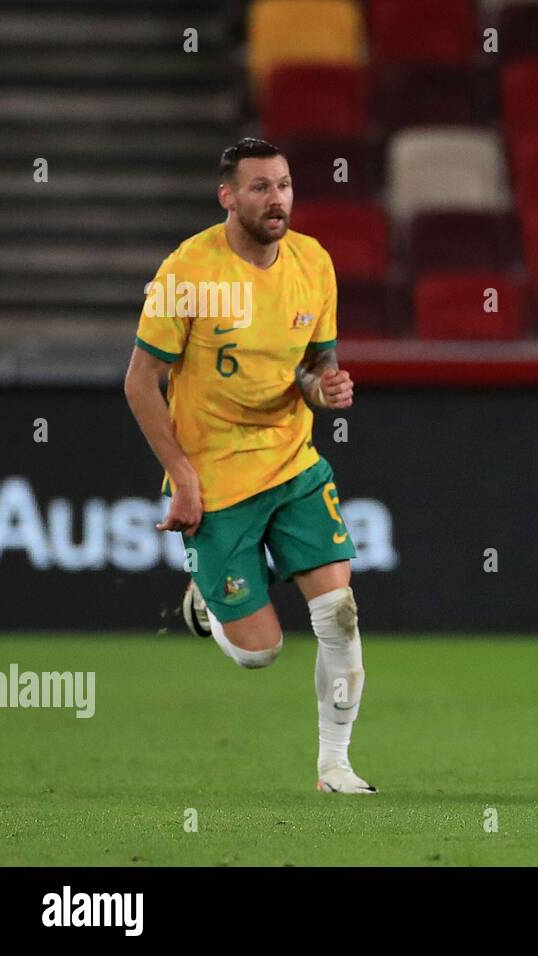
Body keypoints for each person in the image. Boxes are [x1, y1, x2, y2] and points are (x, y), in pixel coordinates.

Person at [123, 137, 374, 794]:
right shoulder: (187, 272)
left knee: (339, 614)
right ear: (228, 196)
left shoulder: (313, 262)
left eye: (285, 184)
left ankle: (335, 766)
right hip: (217, 479)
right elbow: (140, 381)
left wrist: (327, 390)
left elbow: (316, 367)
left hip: (293, 463)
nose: (277, 199)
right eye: (260, 186)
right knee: (261, 653)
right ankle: (206, 603)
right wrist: (180, 474)